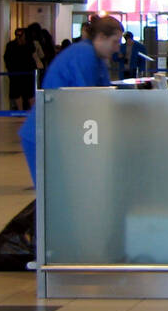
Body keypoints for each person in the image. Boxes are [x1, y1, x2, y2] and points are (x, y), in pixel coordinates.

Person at [17, 15, 122, 184]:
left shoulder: (97, 58)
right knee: (54, 197)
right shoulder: (84, 55)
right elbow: (87, 102)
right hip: (45, 135)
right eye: (115, 42)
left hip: (56, 134)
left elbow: (105, 98)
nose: (117, 48)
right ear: (102, 37)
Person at [3, 29, 35, 111]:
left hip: (26, 73)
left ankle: (32, 111)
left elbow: (32, 53)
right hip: (17, 73)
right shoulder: (11, 45)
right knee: (18, 93)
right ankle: (21, 111)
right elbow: (7, 58)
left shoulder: (28, 44)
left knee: (29, 93)